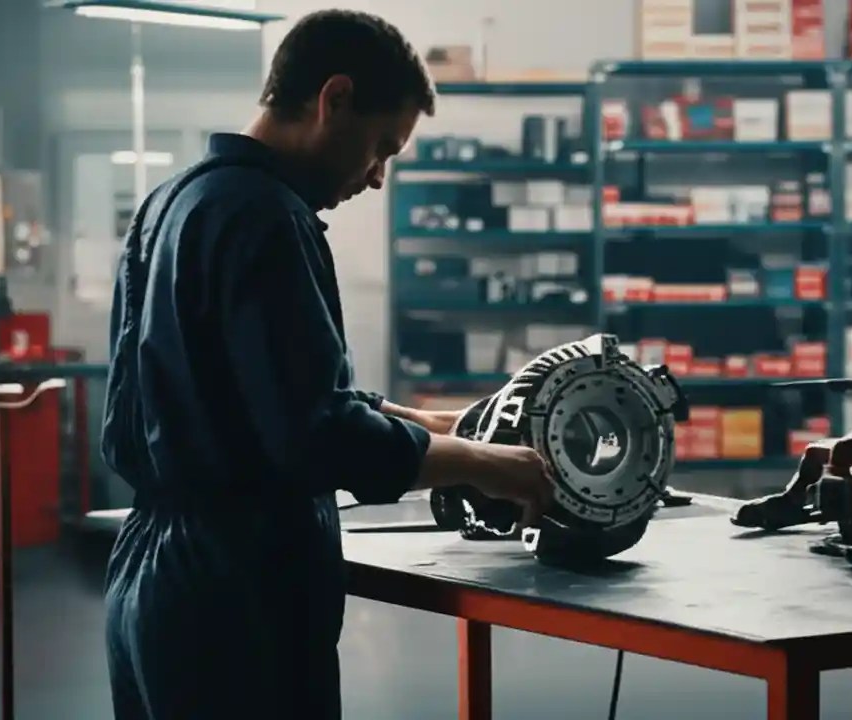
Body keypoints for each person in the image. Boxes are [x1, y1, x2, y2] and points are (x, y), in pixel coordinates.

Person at [100, 10, 553, 719]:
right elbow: (314, 436)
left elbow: (242, 391)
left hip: (150, 581)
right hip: (235, 596)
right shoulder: (264, 216)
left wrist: (413, 420)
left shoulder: (176, 201)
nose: (377, 176)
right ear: (332, 99)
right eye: (382, 147)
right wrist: (484, 463)